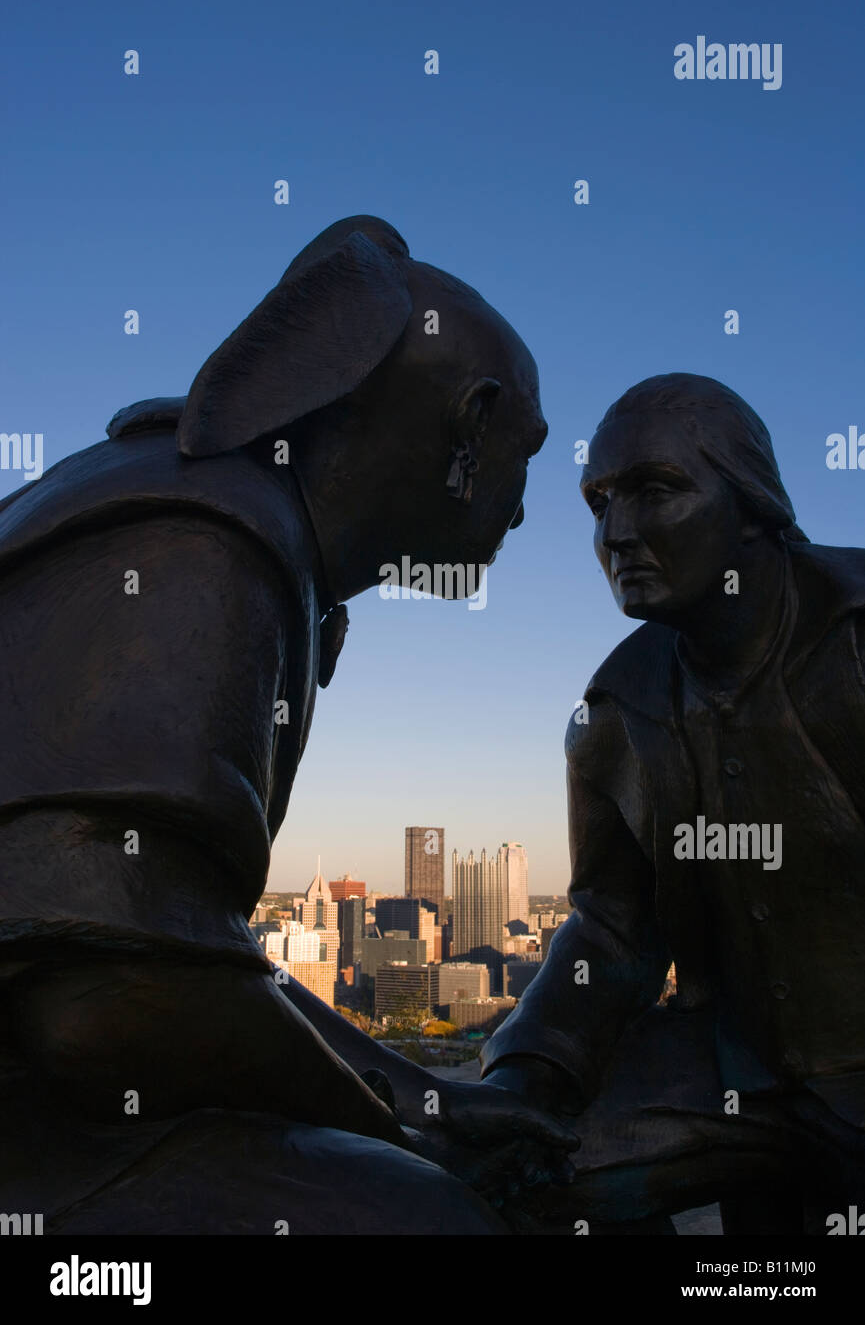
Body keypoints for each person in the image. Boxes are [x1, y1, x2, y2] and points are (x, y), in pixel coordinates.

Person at [0, 216, 557, 1234]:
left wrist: (421, 1091)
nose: (522, 515)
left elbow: (184, 951)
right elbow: (104, 1002)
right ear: (469, 430)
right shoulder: (206, 543)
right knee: (421, 1220)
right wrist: (404, 1128)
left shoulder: (207, 507)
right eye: (526, 460)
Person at [476, 373, 865, 1234]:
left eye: (656, 492)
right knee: (508, 1169)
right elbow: (612, 928)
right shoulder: (615, 711)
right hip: (731, 1076)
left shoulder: (856, 635)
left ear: (753, 502)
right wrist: (526, 1073)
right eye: (599, 503)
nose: (617, 533)